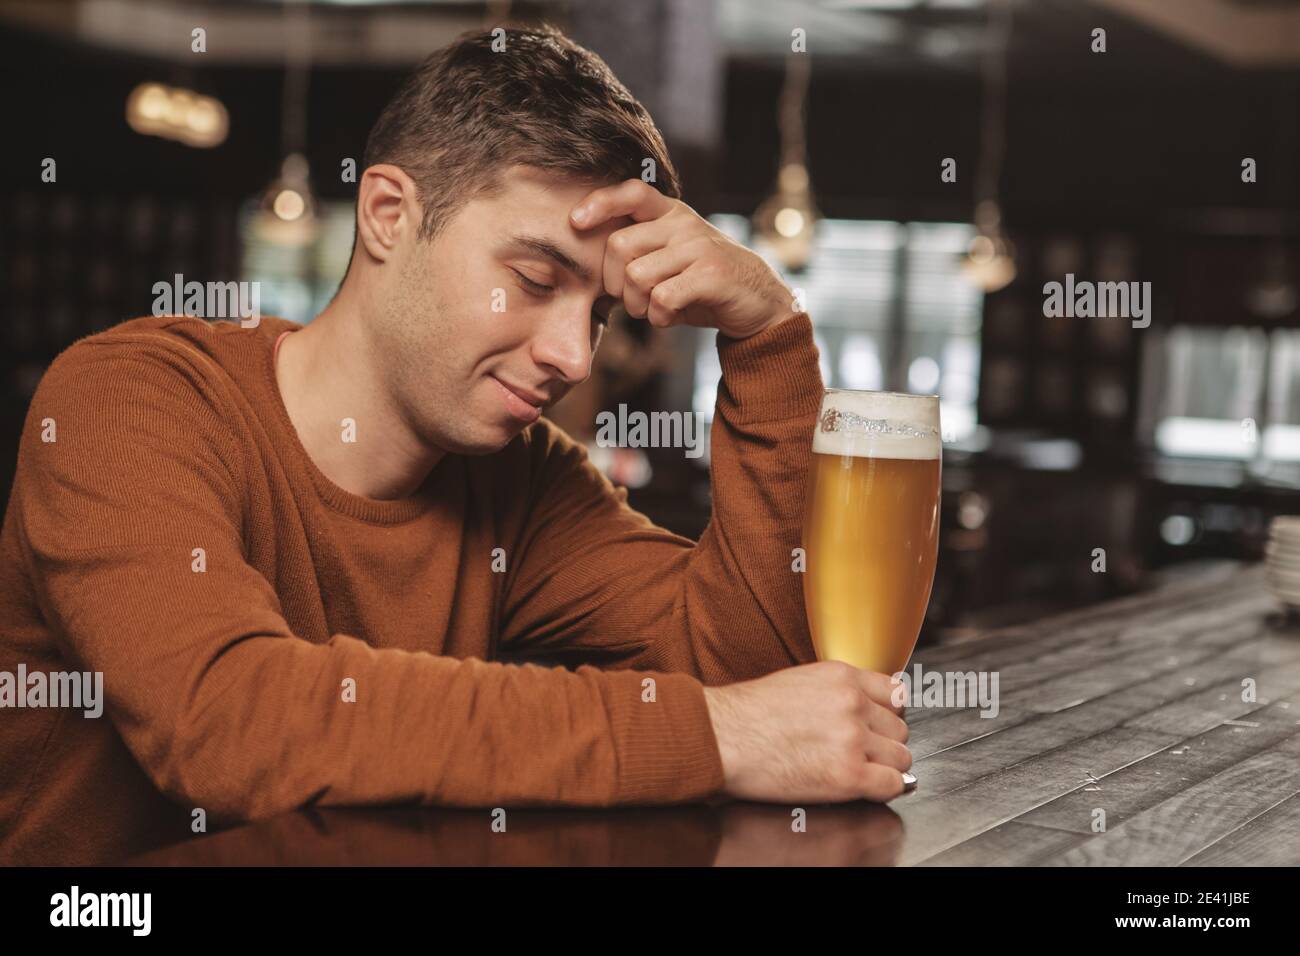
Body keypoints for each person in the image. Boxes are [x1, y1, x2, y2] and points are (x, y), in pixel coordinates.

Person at [0, 24, 910, 866]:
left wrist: (768, 340)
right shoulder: (125, 400)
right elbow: (227, 723)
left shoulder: (521, 477)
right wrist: (714, 737)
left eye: (597, 309)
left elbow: (750, 678)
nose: (570, 355)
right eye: (532, 278)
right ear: (389, 214)